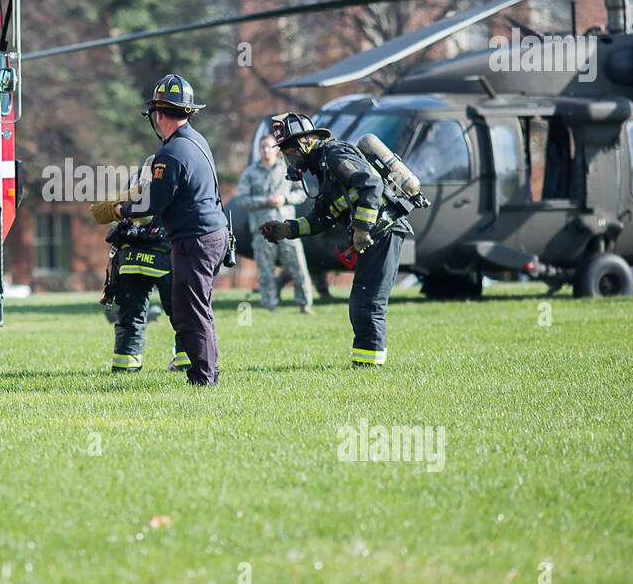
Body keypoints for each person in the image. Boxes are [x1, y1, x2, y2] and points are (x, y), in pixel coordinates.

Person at [89, 74, 227, 386]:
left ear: (159, 115)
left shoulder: (170, 152)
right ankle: (207, 372)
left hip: (195, 240)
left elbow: (154, 203)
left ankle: (204, 378)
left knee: (191, 311)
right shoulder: (196, 141)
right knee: (195, 308)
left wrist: (118, 209)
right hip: (212, 234)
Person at [259, 113, 411, 367]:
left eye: (289, 149)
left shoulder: (334, 154)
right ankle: (365, 364)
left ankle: (369, 367)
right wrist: (286, 229)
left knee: (369, 303)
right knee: (361, 301)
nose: (288, 157)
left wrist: (361, 228)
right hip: (373, 236)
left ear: (306, 142)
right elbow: (322, 218)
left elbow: (370, 184)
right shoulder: (322, 169)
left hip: (383, 231)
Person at [234, 134, 315, 312]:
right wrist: (265, 200)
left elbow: (301, 193)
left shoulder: (287, 168)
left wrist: (284, 198)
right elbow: (241, 199)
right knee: (266, 272)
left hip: (287, 228)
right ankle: (270, 306)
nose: (265, 150)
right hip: (263, 230)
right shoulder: (250, 172)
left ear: (276, 149)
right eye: (262, 147)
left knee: (298, 266)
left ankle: (305, 304)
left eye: (269, 147)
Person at [102, 211, 190, 373]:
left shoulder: (134, 187)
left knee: (130, 315)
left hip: (130, 257)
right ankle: (187, 362)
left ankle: (126, 366)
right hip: (165, 257)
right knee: (183, 313)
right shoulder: (172, 185)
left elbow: (120, 210)